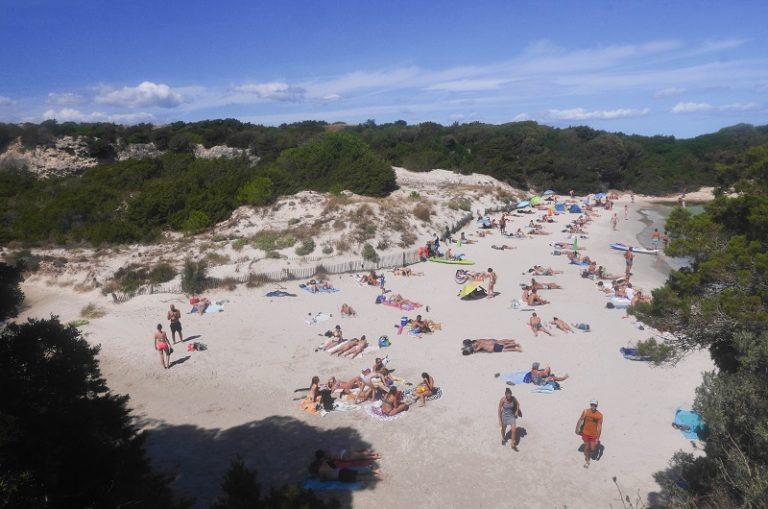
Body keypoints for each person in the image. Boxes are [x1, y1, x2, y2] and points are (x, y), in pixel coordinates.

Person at [309, 450, 381, 483]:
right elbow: (329, 462)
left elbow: (322, 480)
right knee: (360, 456)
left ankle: (377, 476)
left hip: (342, 475)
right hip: (343, 454)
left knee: (359, 476)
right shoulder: (325, 462)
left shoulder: (321, 472)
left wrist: (315, 477)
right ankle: (374, 456)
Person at [576, 399, 604, 468]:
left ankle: (590, 453)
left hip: (594, 434)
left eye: (594, 405)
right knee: (587, 447)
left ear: (596, 406)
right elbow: (580, 420)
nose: (593, 406)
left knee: (593, 448)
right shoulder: (586, 412)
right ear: (590, 405)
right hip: (585, 433)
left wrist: (598, 437)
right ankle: (587, 461)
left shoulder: (599, 415)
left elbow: (600, 427)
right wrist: (577, 429)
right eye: (592, 404)